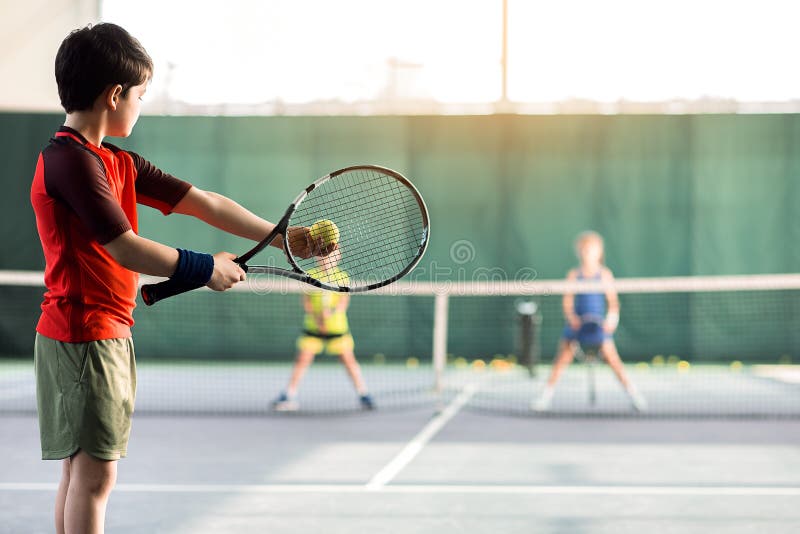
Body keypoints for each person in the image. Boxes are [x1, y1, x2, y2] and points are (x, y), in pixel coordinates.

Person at [30, 23, 315, 534]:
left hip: (99, 332)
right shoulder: (69, 161)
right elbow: (123, 246)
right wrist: (206, 268)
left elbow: (205, 203)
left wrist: (283, 236)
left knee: (82, 474)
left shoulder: (113, 161)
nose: (140, 104)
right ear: (115, 94)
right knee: (93, 479)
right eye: (140, 94)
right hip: (84, 335)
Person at [532, 231, 647, 412]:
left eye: (591, 249)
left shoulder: (604, 275)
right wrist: (572, 318)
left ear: (599, 252)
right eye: (584, 250)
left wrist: (611, 320)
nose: (587, 253)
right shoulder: (573, 275)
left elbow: (613, 303)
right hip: (576, 326)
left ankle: (634, 396)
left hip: (599, 327)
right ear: (579, 252)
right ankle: (545, 397)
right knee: (561, 359)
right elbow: (567, 301)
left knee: (613, 360)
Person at [272, 249, 374, 411]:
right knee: (302, 360)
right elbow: (306, 301)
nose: (326, 259)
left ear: (338, 257)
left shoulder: (343, 276)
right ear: (317, 258)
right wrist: (318, 318)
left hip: (337, 329)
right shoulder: (310, 275)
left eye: (330, 256)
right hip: (313, 328)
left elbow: (343, 302)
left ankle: (364, 394)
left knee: (348, 361)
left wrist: (331, 314)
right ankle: (288, 394)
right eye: (322, 256)